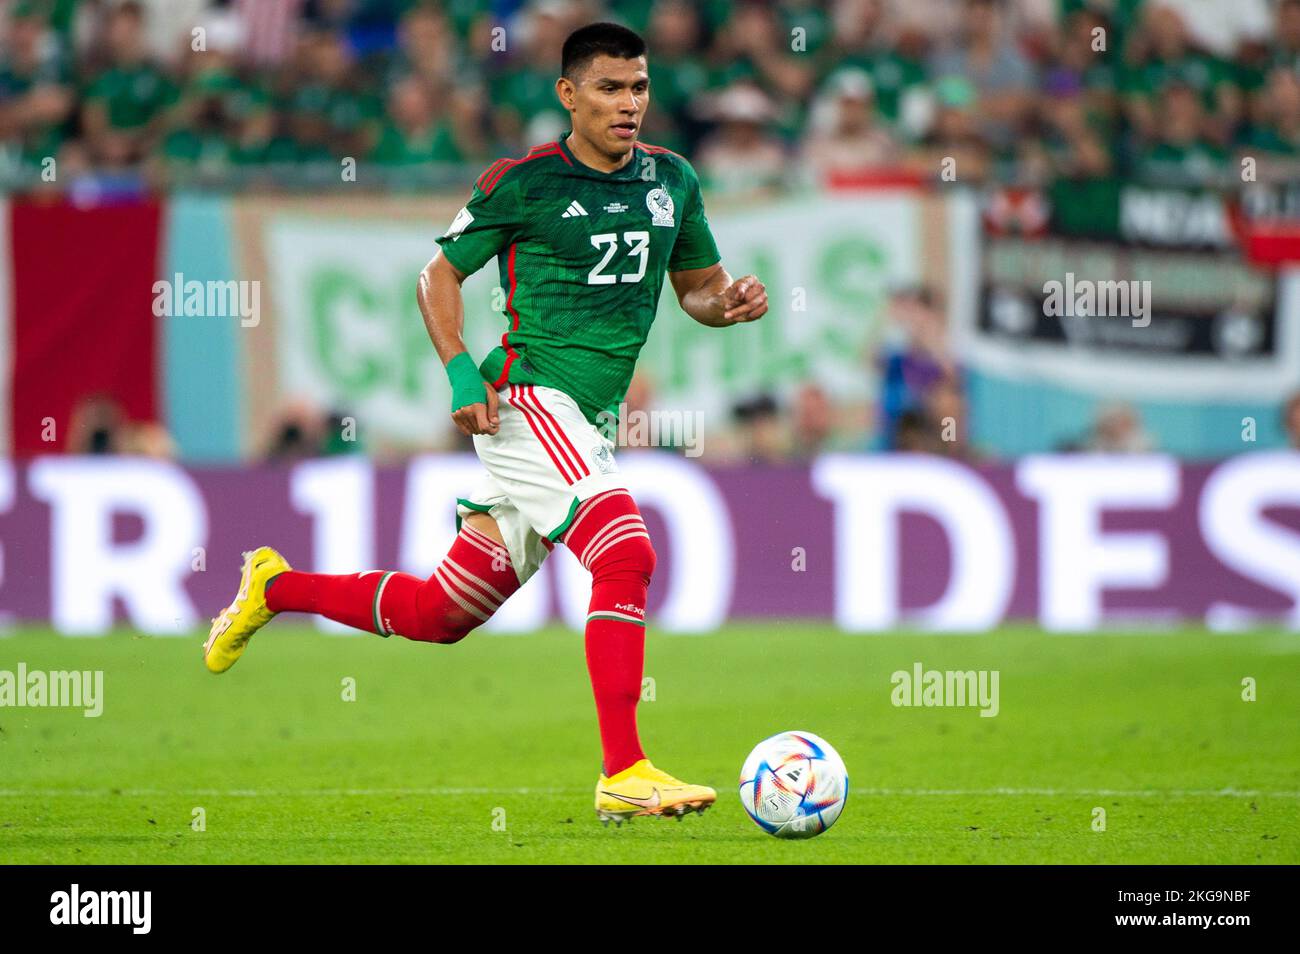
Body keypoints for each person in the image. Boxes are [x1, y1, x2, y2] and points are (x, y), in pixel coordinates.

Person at [202, 22, 768, 826]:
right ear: (568, 94)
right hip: (529, 400)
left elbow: (697, 290)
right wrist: (461, 371)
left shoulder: (672, 179)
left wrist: (729, 303)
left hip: (586, 421)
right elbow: (437, 275)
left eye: (639, 87)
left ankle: (274, 586)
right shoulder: (524, 182)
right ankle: (624, 770)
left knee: (440, 614)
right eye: (609, 88)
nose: (628, 104)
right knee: (626, 552)